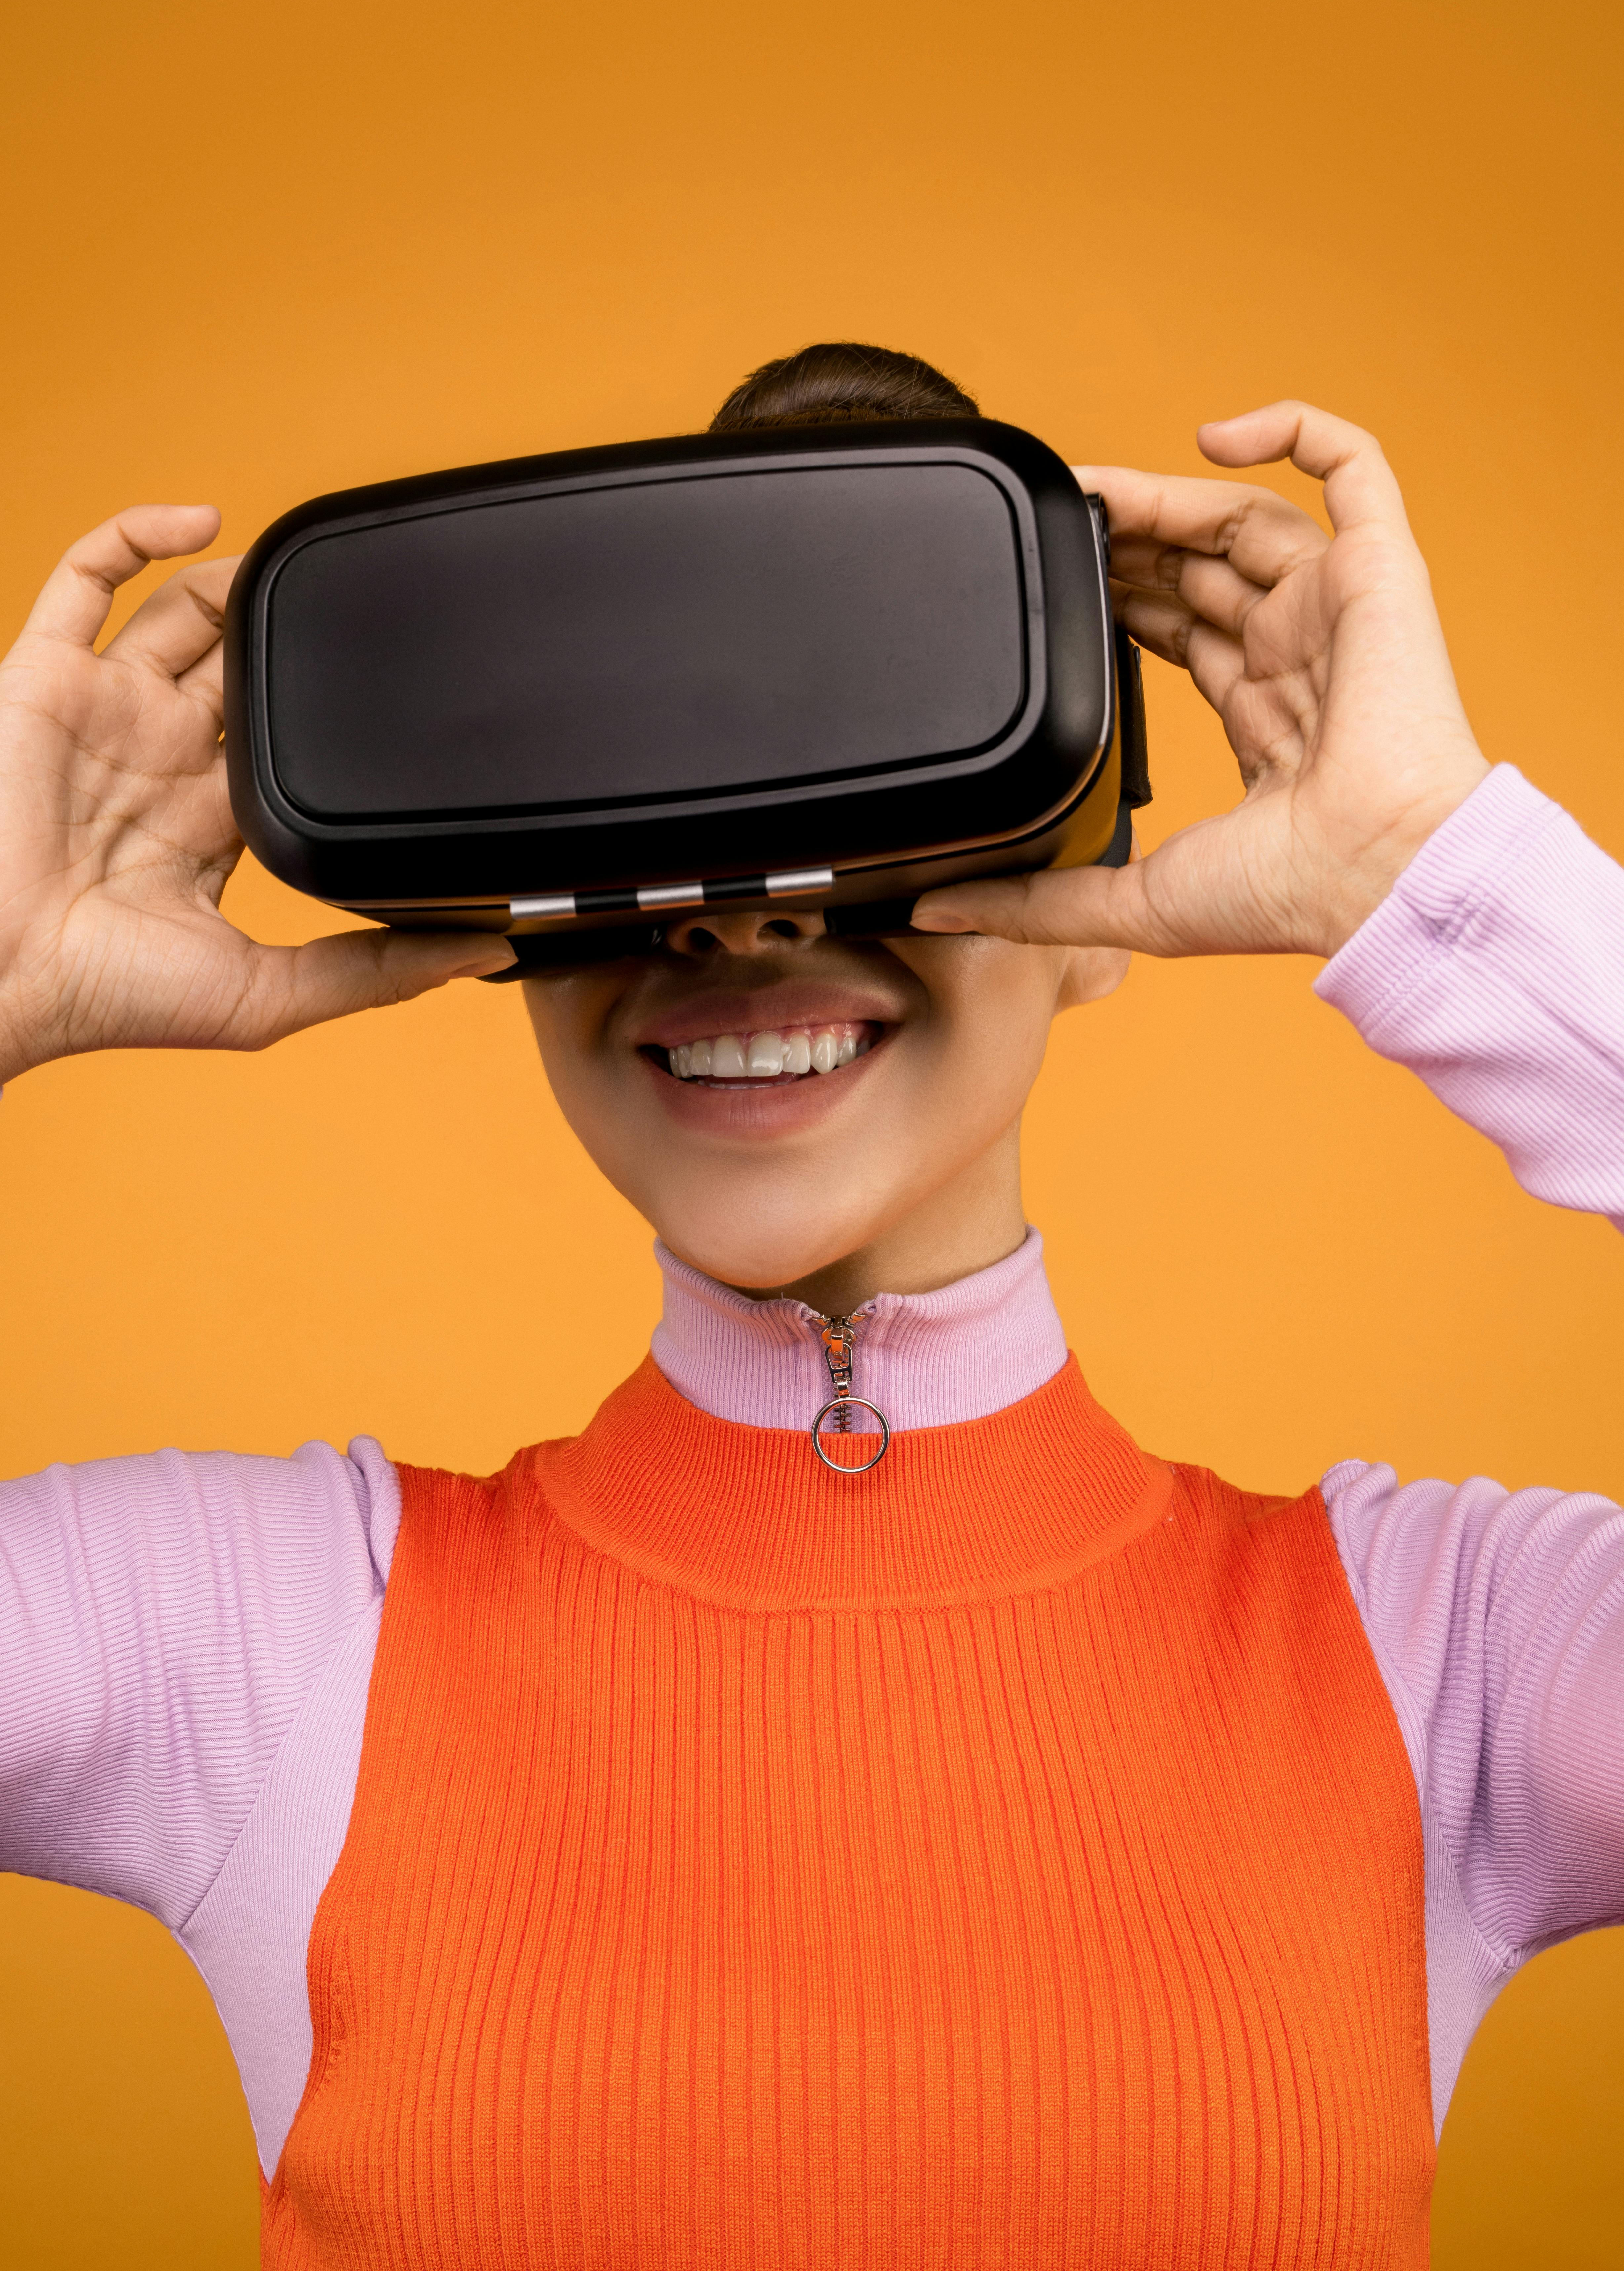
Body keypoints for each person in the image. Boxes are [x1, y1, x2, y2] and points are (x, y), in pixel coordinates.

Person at [1, 341, 1620, 2270]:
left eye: (880, 787)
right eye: (629, 818)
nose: (741, 914)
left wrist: (1445, 889)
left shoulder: (1458, 1662)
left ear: (1102, 870)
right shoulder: (249, 1646)